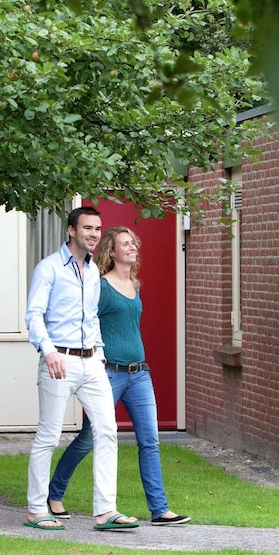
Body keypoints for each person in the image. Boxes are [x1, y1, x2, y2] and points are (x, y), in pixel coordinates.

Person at [47, 226, 190, 526]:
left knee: (150, 441)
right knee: (89, 437)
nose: (132, 247)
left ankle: (159, 509)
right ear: (111, 251)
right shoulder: (99, 286)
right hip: (108, 373)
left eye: (133, 243)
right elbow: (84, 321)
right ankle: (54, 493)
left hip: (139, 374)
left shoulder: (135, 284)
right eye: (125, 244)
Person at [24, 206, 140, 531]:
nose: (93, 234)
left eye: (97, 229)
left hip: (91, 362)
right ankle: (36, 509)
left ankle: (105, 512)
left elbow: (91, 318)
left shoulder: (92, 272)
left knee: (107, 431)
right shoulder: (48, 269)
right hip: (58, 360)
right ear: (71, 230)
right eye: (87, 228)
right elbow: (33, 315)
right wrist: (48, 352)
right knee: (48, 435)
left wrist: (99, 355)